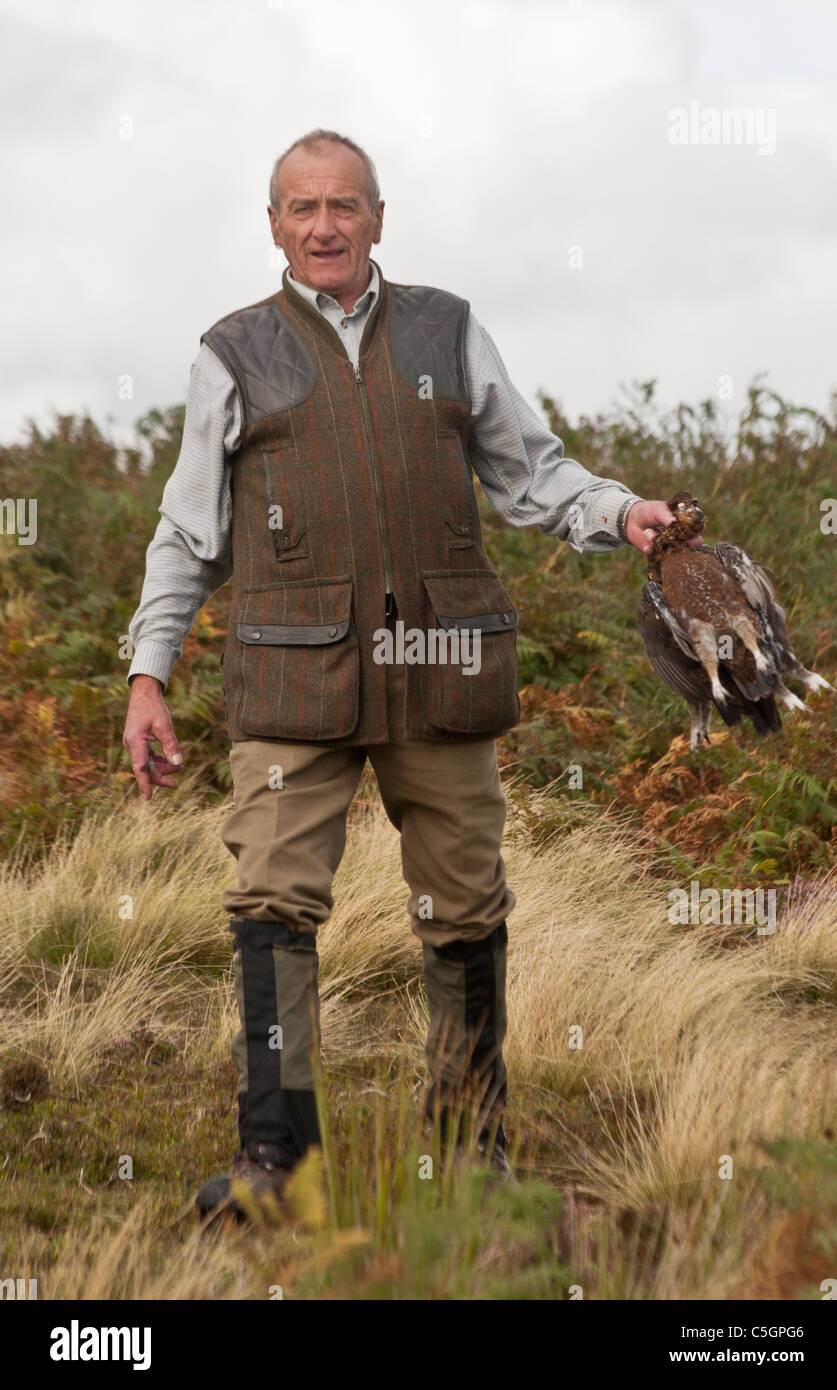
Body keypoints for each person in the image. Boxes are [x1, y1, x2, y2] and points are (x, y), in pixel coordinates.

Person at [123, 128, 681, 1219]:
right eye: (301, 208)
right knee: (270, 906)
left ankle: (472, 1160)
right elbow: (185, 534)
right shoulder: (230, 351)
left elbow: (533, 476)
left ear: (378, 217)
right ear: (273, 224)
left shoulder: (448, 328)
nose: (323, 226)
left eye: (344, 205)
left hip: (444, 669)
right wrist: (149, 672)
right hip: (291, 683)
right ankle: (278, 1164)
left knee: (465, 909)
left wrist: (623, 513)